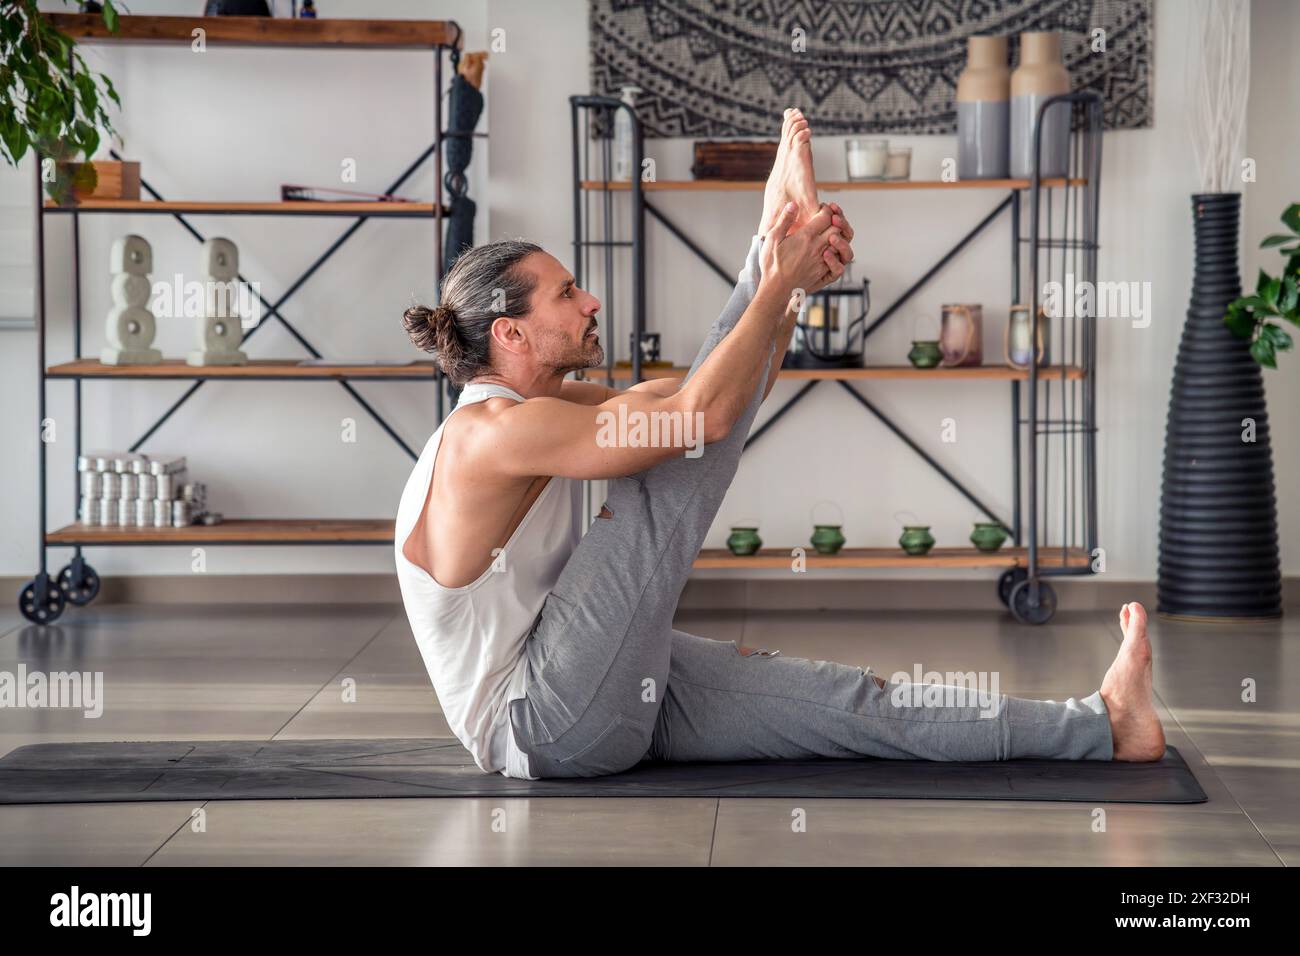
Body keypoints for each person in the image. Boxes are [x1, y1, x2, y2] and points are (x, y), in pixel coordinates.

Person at [395, 109, 1165, 779]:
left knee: (848, 702)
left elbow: (711, 395)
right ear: (509, 330)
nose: (590, 300)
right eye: (567, 293)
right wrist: (772, 271)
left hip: (593, 690)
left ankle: (1103, 725)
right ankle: (771, 238)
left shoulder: (547, 408)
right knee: (659, 474)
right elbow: (697, 422)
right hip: (543, 721)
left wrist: (786, 292)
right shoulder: (488, 434)